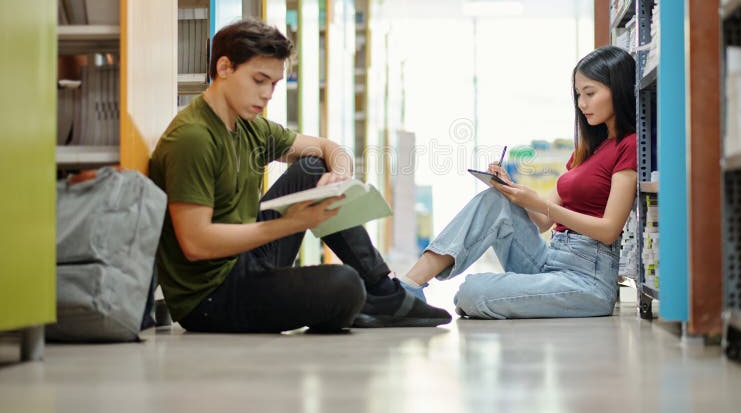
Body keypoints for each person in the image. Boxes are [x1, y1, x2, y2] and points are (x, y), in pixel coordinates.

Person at [150, 19, 451, 333]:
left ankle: (384, 291)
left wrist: (339, 172)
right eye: (259, 80)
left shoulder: (249, 125)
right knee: (344, 284)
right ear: (224, 67)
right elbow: (196, 244)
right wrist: (294, 223)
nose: (267, 94)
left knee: (312, 168)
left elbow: (325, 147)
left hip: (247, 258)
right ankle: (361, 299)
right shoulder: (193, 137)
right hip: (211, 296)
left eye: (274, 84)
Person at [399, 46, 638, 319]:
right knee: (495, 201)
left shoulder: (628, 146)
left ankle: (460, 294)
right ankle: (408, 287)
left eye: (590, 93)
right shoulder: (587, 149)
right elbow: (544, 221)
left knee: (472, 292)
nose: (582, 104)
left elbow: (609, 230)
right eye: (578, 94)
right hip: (552, 259)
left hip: (587, 280)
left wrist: (540, 204)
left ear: (616, 90)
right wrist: (512, 190)